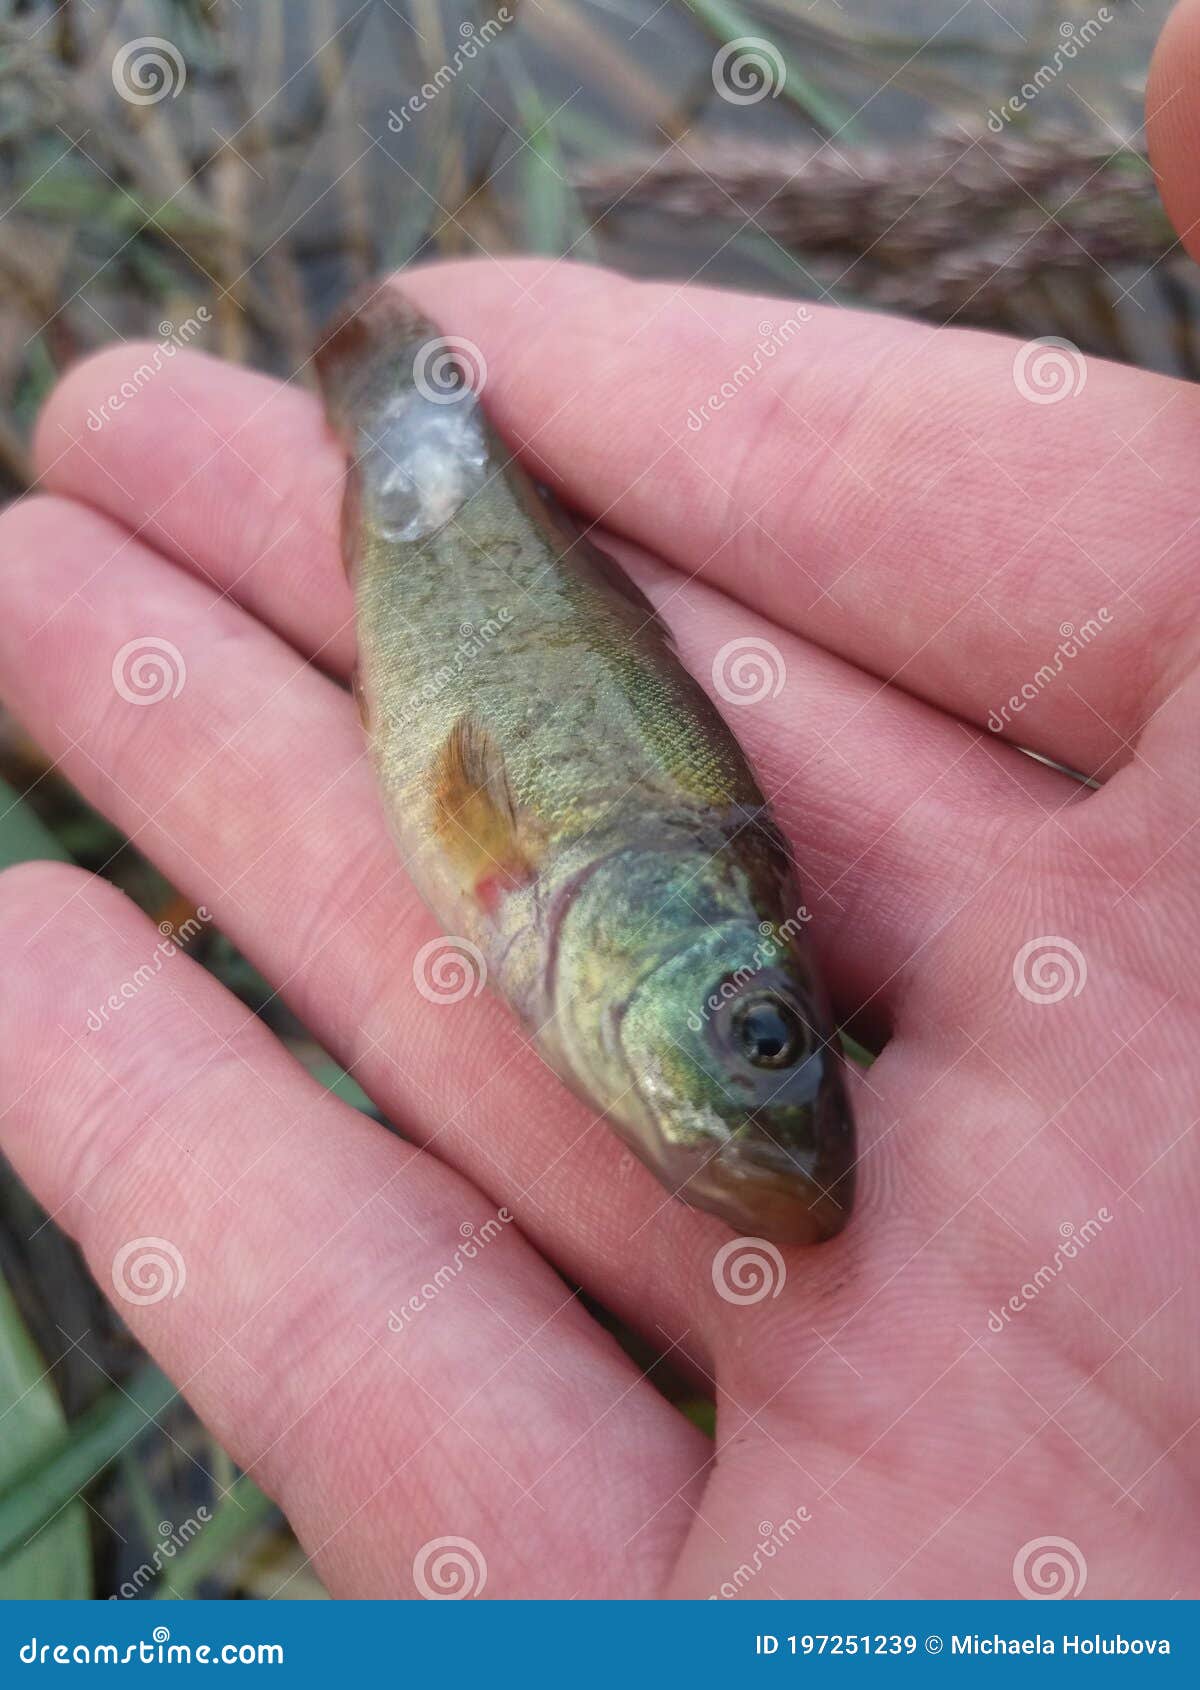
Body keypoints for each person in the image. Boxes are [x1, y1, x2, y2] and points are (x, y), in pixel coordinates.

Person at [1, 3, 1198, 1602]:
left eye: (760, 1034)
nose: (761, 1077)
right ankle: (385, 386)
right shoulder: (551, 876)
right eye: (762, 1032)